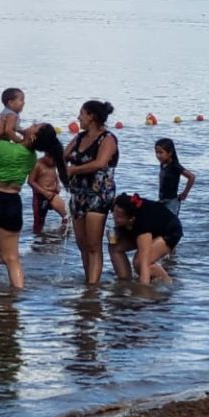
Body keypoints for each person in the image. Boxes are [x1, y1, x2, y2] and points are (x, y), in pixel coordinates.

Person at [0, 123, 66, 290]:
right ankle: (17, 294)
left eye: (34, 126)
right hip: (13, 203)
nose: (30, 125)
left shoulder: (3, 148)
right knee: (12, 257)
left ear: (33, 136)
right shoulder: (31, 157)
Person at [65, 101, 120, 285]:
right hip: (78, 195)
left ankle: (93, 286)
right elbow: (63, 155)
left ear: (92, 116)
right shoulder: (80, 138)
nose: (78, 117)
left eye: (81, 114)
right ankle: (89, 279)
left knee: (93, 245)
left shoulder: (107, 139)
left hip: (99, 195)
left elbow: (100, 163)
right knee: (82, 244)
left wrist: (73, 170)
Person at [109, 192, 183, 286]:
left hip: (170, 231)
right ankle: (125, 282)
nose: (115, 219)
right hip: (148, 227)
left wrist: (142, 294)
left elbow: (144, 262)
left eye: (119, 217)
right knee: (115, 247)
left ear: (131, 219)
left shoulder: (142, 225)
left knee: (139, 263)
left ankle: (168, 283)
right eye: (114, 213)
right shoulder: (123, 206)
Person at [29, 154, 69, 237]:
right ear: (47, 156)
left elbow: (55, 175)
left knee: (67, 216)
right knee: (38, 225)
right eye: (53, 160)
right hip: (40, 196)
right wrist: (44, 192)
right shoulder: (37, 164)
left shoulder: (53, 164)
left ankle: (61, 236)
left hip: (52, 195)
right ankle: (38, 243)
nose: (55, 162)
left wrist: (58, 184)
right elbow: (31, 181)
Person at [154, 137, 196, 216]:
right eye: (156, 152)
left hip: (172, 202)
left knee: (169, 225)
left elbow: (191, 177)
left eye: (161, 152)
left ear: (170, 153)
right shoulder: (163, 164)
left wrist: (185, 193)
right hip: (162, 200)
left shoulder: (175, 166)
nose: (158, 155)